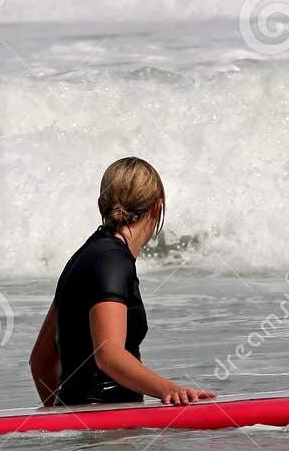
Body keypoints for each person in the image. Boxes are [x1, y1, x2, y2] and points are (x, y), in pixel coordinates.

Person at [29, 157, 217, 408]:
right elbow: (108, 355)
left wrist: (62, 417)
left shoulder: (84, 257)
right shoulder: (113, 261)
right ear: (157, 208)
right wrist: (169, 389)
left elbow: (40, 360)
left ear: (100, 206)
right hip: (110, 434)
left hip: (89, 428)